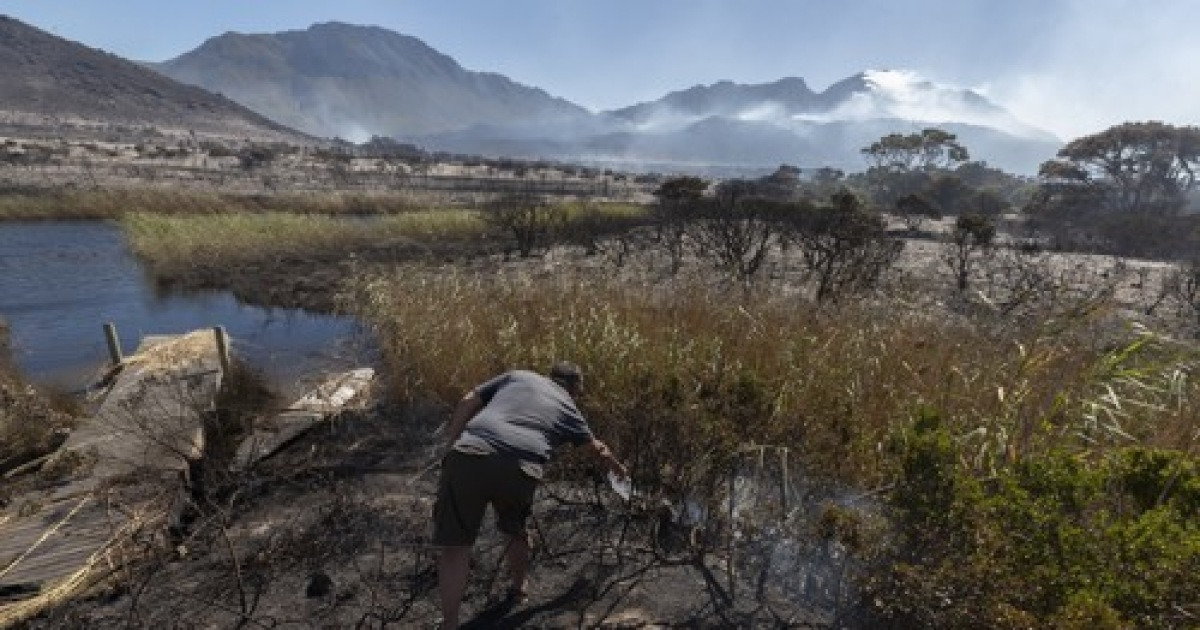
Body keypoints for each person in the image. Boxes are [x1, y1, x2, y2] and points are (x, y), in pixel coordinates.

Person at [433, 361, 626, 628]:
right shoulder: (569, 407)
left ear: (551, 377)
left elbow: (468, 400)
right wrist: (618, 468)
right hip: (520, 465)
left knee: (455, 548)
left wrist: (452, 444)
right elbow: (597, 450)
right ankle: (519, 589)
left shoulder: (518, 376)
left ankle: (450, 624)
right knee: (515, 530)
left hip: (470, 452)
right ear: (574, 389)